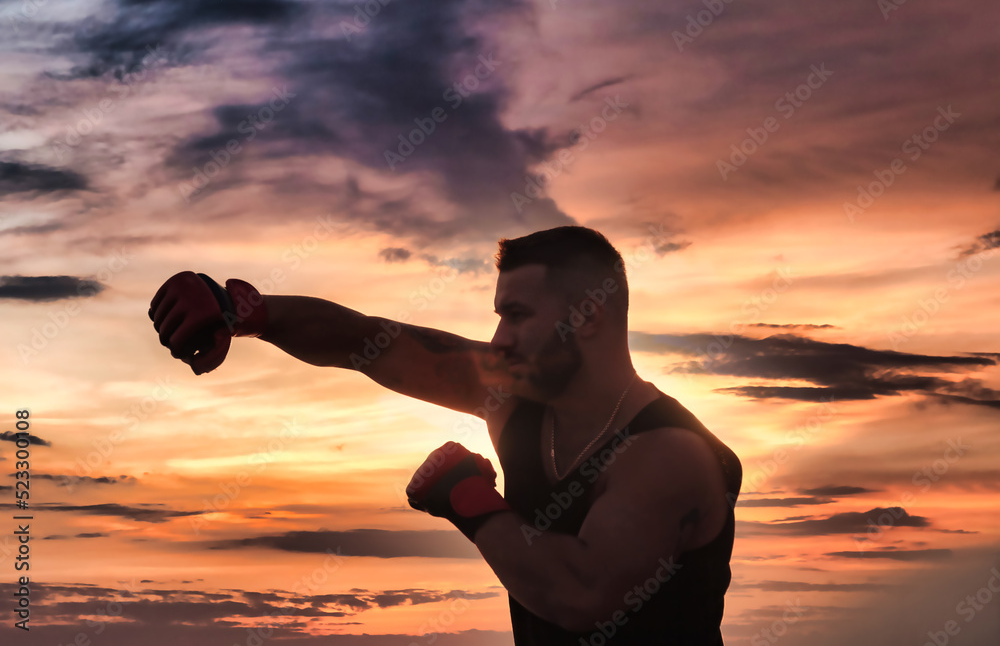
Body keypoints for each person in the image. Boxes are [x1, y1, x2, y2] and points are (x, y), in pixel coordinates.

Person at [148, 225, 742, 645]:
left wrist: (470, 500)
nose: (500, 337)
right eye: (498, 315)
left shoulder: (671, 454)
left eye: (518, 315)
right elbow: (366, 342)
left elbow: (580, 596)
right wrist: (248, 311)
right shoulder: (511, 399)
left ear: (588, 316)